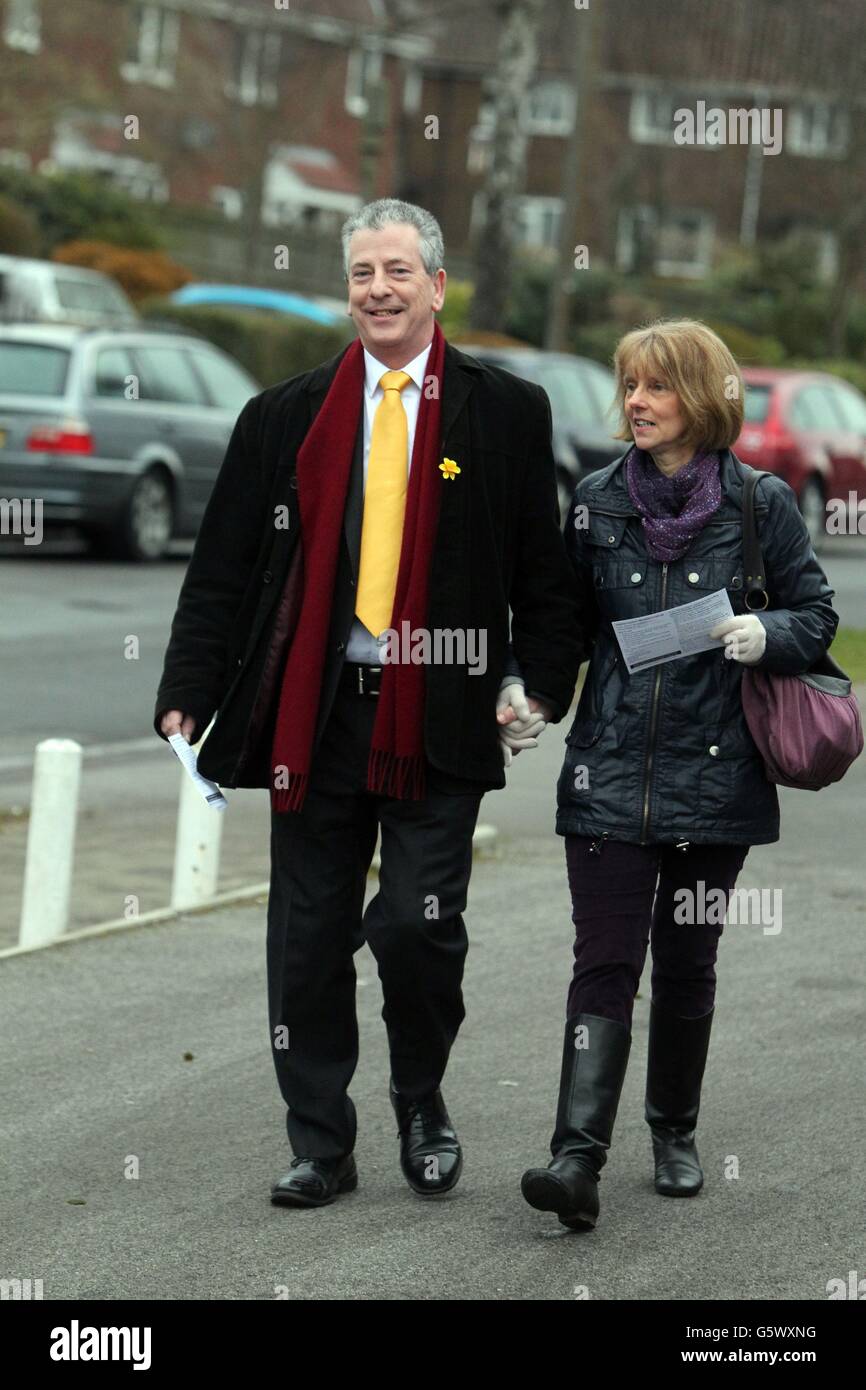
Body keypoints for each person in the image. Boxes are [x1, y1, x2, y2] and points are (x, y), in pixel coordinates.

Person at [153, 198, 582, 1209]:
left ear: (437, 285)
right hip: (316, 714)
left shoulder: (505, 410)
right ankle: (319, 1139)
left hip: (440, 716)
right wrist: (186, 690)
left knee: (414, 925)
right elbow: (220, 573)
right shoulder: (282, 417)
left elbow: (543, 577)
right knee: (304, 936)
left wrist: (534, 681)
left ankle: (421, 1098)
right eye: (360, 274)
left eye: (397, 271)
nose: (378, 291)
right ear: (345, 289)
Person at [513, 318, 838, 1231]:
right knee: (604, 960)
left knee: (688, 962)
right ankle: (575, 1156)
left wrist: (763, 634)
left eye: (655, 387)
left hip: (716, 777)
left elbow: (816, 616)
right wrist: (526, 694)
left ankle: (674, 1133)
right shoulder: (595, 502)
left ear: (700, 397)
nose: (636, 403)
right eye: (629, 387)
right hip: (609, 773)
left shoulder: (760, 504)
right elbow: (563, 626)